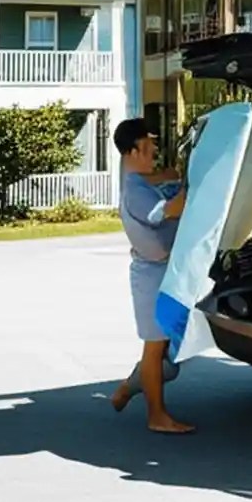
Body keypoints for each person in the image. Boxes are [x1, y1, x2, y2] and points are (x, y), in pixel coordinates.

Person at [107, 118, 194, 434]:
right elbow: (168, 211)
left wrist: (176, 177)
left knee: (171, 355)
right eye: (148, 147)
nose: (154, 152)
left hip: (170, 269)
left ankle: (127, 389)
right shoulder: (135, 191)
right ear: (132, 151)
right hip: (151, 275)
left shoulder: (145, 177)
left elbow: (163, 177)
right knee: (156, 349)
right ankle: (157, 416)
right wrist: (194, 185)